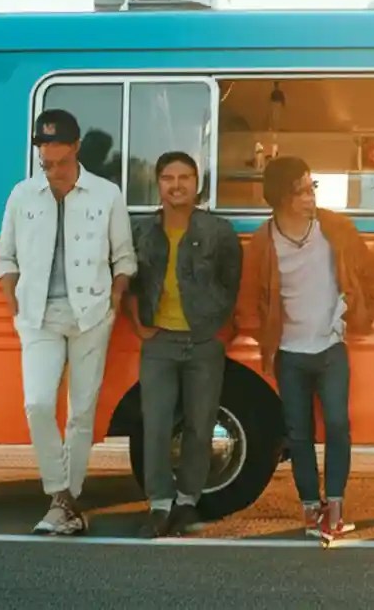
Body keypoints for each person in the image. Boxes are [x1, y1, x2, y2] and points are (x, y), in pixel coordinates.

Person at [0, 108, 136, 536]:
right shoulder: (23, 195)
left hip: (92, 314)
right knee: (37, 403)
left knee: (81, 412)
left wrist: (116, 294)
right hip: (37, 316)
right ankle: (61, 494)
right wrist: (12, 297)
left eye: (59, 160)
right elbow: (5, 255)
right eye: (45, 162)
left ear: (75, 148)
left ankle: (63, 506)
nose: (52, 170)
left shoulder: (106, 194)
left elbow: (124, 256)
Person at [241, 156, 374, 543]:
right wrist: (266, 341)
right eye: (303, 190)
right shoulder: (263, 241)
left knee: (339, 425)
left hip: (331, 347)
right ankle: (311, 507)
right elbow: (248, 302)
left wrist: (359, 315)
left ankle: (335, 508)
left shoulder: (334, 228)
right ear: (282, 198)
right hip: (289, 354)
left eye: (313, 188)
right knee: (299, 432)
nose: (311, 196)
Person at [127, 151, 243, 538]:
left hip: (204, 342)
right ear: (157, 183)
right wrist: (138, 324)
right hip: (158, 341)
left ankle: (188, 503)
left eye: (184, 177)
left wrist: (220, 328)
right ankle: (159, 505)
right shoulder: (142, 231)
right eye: (167, 177)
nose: (176, 185)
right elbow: (128, 279)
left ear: (197, 183)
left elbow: (232, 281)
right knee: (156, 425)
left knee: (200, 424)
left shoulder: (218, 231)